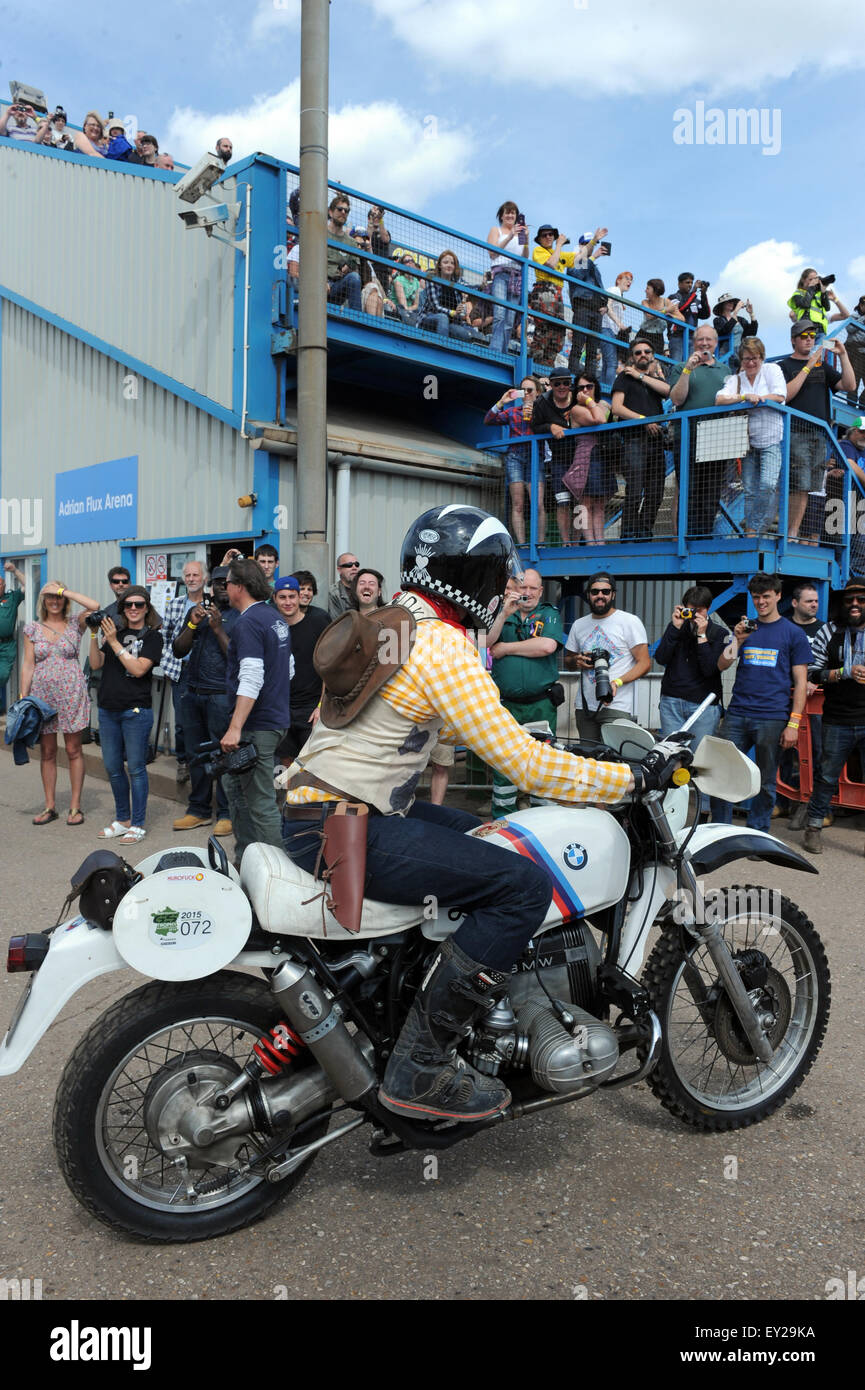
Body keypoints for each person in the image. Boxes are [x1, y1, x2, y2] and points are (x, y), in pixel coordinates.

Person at [279, 505, 641, 1123]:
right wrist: (627, 780)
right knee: (523, 885)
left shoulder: (393, 623)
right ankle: (421, 1062)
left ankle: (438, 989)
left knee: (489, 836)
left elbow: (444, 719)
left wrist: (535, 741)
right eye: (499, 576)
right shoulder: (445, 647)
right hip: (346, 827)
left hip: (318, 812)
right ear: (471, 577)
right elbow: (522, 769)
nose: (505, 589)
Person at [715, 573, 811, 833]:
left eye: (766, 596)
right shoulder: (745, 629)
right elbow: (722, 664)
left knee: (766, 780)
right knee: (722, 772)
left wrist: (793, 723)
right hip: (737, 713)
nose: (761, 602)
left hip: (772, 717)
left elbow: (801, 683)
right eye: (756, 597)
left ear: (779, 596)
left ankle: (757, 832)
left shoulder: (793, 634)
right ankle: (721, 831)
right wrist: (737, 640)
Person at [220, 558, 292, 864]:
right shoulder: (273, 617)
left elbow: (251, 674)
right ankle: (247, 860)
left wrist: (236, 726)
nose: (225, 588)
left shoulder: (248, 622)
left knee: (260, 802)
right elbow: (287, 668)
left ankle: (282, 872)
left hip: (257, 725)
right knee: (235, 789)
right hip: (272, 720)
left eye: (227, 583)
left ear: (239, 587)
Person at [486, 570, 565, 818]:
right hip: (507, 705)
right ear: (513, 590)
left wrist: (506, 648)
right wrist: (503, 615)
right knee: (504, 760)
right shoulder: (501, 613)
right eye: (523, 588)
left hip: (540, 704)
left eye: (533, 589)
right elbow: (486, 642)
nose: (527, 593)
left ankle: (542, 816)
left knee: (541, 760)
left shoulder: (549, 614)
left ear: (540, 592)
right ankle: (503, 816)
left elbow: (546, 646)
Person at [20, 581, 99, 826]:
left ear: (65, 600)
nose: (54, 601)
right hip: (43, 698)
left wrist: (65, 590)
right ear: (43, 601)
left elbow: (95, 606)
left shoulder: (76, 622)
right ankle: (50, 806)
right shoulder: (32, 628)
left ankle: (75, 807)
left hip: (71, 694)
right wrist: (24, 697)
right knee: (48, 752)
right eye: (50, 597)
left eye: (59, 597)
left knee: (74, 750)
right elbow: (29, 664)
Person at [89, 586, 163, 844]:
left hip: (135, 711)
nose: (133, 608)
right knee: (112, 767)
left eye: (139, 604)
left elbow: (140, 669)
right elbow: (97, 664)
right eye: (128, 604)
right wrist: (93, 634)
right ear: (121, 608)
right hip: (108, 709)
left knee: (136, 768)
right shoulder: (114, 633)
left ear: (147, 607)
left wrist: (112, 642)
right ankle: (123, 819)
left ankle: (138, 823)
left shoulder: (153, 637)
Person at [798, 579, 865, 853]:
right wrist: (842, 673)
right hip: (837, 718)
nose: (855, 604)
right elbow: (812, 671)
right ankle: (813, 827)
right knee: (827, 776)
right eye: (850, 599)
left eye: (861, 599)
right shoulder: (829, 631)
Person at [170, 566, 237, 836]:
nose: (222, 586)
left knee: (222, 756)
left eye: (227, 582)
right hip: (192, 691)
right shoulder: (196, 611)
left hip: (221, 694)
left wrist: (218, 628)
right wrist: (191, 624)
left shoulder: (240, 615)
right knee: (196, 753)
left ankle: (226, 812)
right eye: (217, 582)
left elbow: (236, 656)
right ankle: (198, 810)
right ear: (210, 585)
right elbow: (178, 649)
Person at [779, 324, 855, 540]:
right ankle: (791, 533)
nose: (809, 340)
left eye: (812, 336)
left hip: (820, 434)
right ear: (793, 339)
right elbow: (787, 394)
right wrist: (809, 365)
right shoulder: (783, 365)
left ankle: (798, 533)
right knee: (799, 483)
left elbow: (849, 385)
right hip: (796, 430)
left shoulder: (822, 366)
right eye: (804, 336)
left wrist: (844, 355)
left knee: (811, 487)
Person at [563, 573, 650, 742]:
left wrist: (617, 682)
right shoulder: (578, 625)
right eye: (595, 592)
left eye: (605, 591)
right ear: (588, 594)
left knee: (613, 760)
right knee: (589, 759)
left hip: (617, 705)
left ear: (613, 594)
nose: (600, 596)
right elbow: (568, 661)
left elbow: (645, 663)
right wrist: (577, 661)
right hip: (585, 707)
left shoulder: (629, 621)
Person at [714, 336, 787, 537]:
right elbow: (719, 399)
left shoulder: (772, 370)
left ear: (762, 357)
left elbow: (781, 395)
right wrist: (745, 397)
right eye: (746, 359)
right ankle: (752, 532)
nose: (751, 363)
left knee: (768, 485)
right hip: (746, 441)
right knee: (749, 490)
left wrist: (761, 399)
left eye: (755, 358)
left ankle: (754, 528)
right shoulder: (737, 378)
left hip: (771, 438)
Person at [668, 324, 732, 536]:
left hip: (716, 439)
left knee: (710, 493)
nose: (704, 343)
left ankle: (703, 537)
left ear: (715, 343)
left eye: (709, 340)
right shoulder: (679, 367)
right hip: (687, 437)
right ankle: (685, 540)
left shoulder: (725, 370)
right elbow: (677, 399)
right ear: (694, 342)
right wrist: (688, 369)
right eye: (700, 339)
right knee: (688, 490)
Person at [610, 337, 671, 539]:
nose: (643, 355)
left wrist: (641, 376)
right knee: (635, 491)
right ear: (632, 357)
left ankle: (644, 534)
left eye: (646, 351)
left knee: (656, 493)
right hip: (634, 441)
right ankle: (628, 535)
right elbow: (617, 408)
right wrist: (643, 420)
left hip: (656, 443)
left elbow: (668, 391)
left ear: (652, 355)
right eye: (638, 352)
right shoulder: (624, 379)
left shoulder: (653, 380)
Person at [653, 587, 726, 743]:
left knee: (698, 758)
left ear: (708, 609)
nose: (694, 616)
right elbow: (660, 657)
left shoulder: (719, 633)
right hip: (671, 701)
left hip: (703, 704)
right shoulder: (677, 627)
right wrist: (675, 627)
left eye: (698, 610)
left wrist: (702, 635)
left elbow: (709, 669)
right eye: (690, 610)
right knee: (671, 756)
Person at [161, 561, 209, 785]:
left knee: (206, 720)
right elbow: (166, 636)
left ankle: (205, 762)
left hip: (207, 672)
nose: (191, 579)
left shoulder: (212, 604)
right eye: (187, 575)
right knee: (182, 722)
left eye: (195, 575)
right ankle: (183, 762)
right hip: (182, 671)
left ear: (204, 578)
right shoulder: (176, 604)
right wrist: (167, 665)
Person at [274, 575, 330, 766]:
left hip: (310, 709)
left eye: (292, 596)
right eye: (282, 597)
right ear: (275, 599)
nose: (288, 602)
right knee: (285, 764)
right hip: (281, 710)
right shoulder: (271, 628)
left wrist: (321, 706)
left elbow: (328, 669)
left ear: (300, 597)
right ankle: (288, 797)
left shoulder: (318, 623)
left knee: (312, 765)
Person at [485, 378, 544, 545]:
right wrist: (502, 401)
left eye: (530, 390)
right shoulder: (513, 411)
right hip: (515, 456)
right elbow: (488, 420)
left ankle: (540, 543)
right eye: (523, 390)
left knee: (538, 503)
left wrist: (537, 413)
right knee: (517, 504)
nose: (526, 394)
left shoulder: (542, 411)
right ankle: (521, 544)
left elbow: (555, 421)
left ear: (538, 392)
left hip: (535, 456)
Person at [531, 367, 579, 545]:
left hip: (580, 456)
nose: (562, 386)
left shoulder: (578, 398)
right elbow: (535, 427)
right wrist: (550, 427)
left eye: (566, 383)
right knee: (562, 502)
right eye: (557, 383)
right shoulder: (542, 402)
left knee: (580, 503)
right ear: (550, 385)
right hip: (559, 458)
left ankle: (576, 543)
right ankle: (566, 543)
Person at [564, 373, 610, 544]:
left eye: (589, 387)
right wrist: (590, 402)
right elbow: (599, 419)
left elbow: (604, 414)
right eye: (581, 388)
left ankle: (601, 542)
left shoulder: (603, 404)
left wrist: (593, 404)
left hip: (603, 457)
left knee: (599, 504)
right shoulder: (576, 409)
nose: (585, 390)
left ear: (596, 387)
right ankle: (590, 543)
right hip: (585, 458)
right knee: (585, 504)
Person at [487, 202, 529, 355]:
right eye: (507, 212)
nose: (510, 215)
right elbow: (492, 253)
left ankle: (503, 352)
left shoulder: (521, 234)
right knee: (499, 314)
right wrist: (510, 236)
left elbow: (525, 257)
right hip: (501, 274)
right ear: (501, 215)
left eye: (513, 213)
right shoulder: (496, 230)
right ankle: (495, 351)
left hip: (517, 277)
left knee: (510, 319)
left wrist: (526, 239)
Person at [530, 226, 575, 366]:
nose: (548, 237)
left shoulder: (558, 252)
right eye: (544, 235)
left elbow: (581, 261)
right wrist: (559, 245)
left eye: (551, 234)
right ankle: (533, 366)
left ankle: (546, 368)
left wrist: (592, 244)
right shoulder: (539, 250)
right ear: (540, 239)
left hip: (557, 294)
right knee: (543, 330)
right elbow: (550, 264)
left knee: (558, 334)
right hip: (544, 291)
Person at [568, 230, 611, 375]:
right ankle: (573, 376)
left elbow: (601, 288)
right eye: (586, 244)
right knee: (578, 344)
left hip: (596, 311)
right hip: (583, 307)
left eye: (591, 244)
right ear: (580, 246)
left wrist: (605, 306)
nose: (590, 247)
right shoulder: (574, 259)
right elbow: (577, 275)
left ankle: (590, 379)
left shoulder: (594, 268)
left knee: (593, 349)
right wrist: (593, 257)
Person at [416, 250, 477, 341]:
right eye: (446, 262)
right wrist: (453, 312)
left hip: (451, 323)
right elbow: (435, 306)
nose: (449, 265)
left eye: (452, 263)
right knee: (443, 318)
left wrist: (482, 286)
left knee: (468, 334)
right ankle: (441, 350)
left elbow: (470, 287)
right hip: (430, 318)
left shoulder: (457, 281)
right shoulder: (432, 279)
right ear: (440, 265)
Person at [787, 269, 849, 341]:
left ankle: (834, 350)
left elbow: (827, 308)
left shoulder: (823, 312)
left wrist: (825, 293)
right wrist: (811, 288)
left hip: (821, 333)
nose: (814, 282)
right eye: (810, 279)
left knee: (831, 346)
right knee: (810, 350)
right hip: (807, 330)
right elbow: (805, 305)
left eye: (815, 279)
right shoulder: (798, 293)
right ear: (803, 280)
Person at [326, 195, 361, 312]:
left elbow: (354, 267)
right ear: (330, 212)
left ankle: (357, 319)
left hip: (337, 286)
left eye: (346, 210)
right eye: (339, 209)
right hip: (316, 283)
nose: (343, 212)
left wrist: (347, 268)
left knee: (354, 277)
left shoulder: (351, 242)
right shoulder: (319, 232)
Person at [600, 270, 634, 388]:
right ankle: (608, 389)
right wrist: (620, 324)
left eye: (631, 280)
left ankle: (604, 387)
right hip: (606, 328)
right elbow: (606, 305)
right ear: (618, 280)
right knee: (612, 363)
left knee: (607, 363)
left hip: (609, 330)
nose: (629, 281)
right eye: (626, 278)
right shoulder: (615, 290)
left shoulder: (619, 294)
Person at [0, 561, 26, 713]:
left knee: (2, 675)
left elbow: (28, 586)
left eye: (0, 584)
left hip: (6, 646)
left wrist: (15, 571)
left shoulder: (11, 598)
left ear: (3, 586)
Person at [667, 273, 711, 362]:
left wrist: (703, 294)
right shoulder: (673, 297)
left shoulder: (695, 299)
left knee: (690, 366)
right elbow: (682, 308)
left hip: (692, 337)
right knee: (676, 364)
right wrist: (694, 291)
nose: (690, 285)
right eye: (687, 282)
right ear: (679, 284)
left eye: (691, 283)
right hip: (677, 336)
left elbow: (706, 314)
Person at [639, 278, 684, 358]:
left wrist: (671, 316)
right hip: (643, 334)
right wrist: (664, 311)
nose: (645, 290)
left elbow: (682, 319)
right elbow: (649, 316)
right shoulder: (645, 302)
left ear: (655, 290)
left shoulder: (665, 301)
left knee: (655, 360)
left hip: (658, 337)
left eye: (648, 288)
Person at [711, 292, 757, 363]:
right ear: (722, 305)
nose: (731, 303)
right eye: (728, 301)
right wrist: (735, 312)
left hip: (740, 353)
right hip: (726, 353)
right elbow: (725, 331)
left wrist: (751, 313)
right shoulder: (718, 320)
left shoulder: (740, 320)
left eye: (732, 302)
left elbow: (752, 332)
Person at [328, 553, 360, 619]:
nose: (354, 568)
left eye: (357, 565)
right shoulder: (333, 593)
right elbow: (336, 623)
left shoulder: (365, 589)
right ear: (339, 570)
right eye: (349, 565)